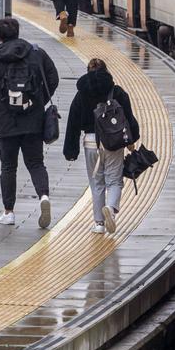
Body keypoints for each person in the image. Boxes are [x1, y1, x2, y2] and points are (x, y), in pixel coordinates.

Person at [0, 17, 60, 228]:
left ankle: (9, 212)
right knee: (36, 163)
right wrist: (39, 101)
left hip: (6, 123)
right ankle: (43, 196)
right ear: (18, 32)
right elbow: (53, 77)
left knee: (8, 167)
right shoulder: (36, 54)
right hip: (32, 120)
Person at [63, 58, 140, 234]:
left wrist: (71, 149)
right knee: (114, 180)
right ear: (106, 71)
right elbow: (128, 118)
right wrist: (132, 140)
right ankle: (111, 210)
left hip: (90, 142)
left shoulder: (81, 94)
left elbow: (73, 121)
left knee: (96, 183)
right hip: (113, 142)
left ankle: (99, 223)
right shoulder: (117, 92)